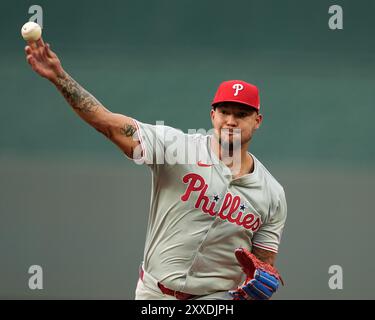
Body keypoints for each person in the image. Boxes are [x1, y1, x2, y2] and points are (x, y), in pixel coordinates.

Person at [24, 38, 287, 300]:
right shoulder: (176, 148)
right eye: (224, 111)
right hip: (153, 293)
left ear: (257, 121)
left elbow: (263, 265)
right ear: (212, 115)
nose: (230, 120)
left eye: (241, 114)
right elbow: (108, 123)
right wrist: (59, 77)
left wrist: (257, 289)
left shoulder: (272, 194)